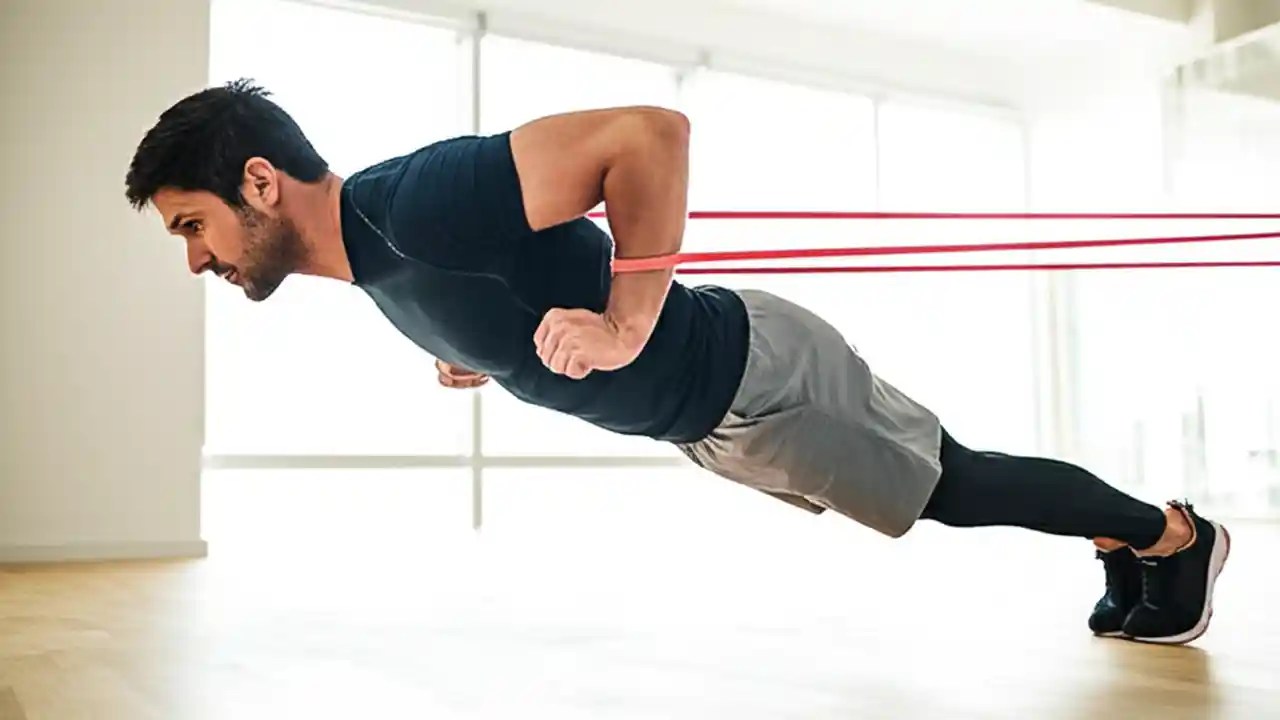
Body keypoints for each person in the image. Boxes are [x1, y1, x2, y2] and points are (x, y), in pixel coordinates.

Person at [125, 79, 1229, 645]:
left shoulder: (410, 202)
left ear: (259, 185)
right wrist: (491, 358)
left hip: (755, 377)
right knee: (949, 484)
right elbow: (511, 291)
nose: (195, 260)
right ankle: (1138, 543)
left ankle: (1171, 538)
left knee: (955, 484)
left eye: (190, 226)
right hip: (717, 420)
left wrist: (624, 321)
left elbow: (648, 134)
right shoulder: (380, 261)